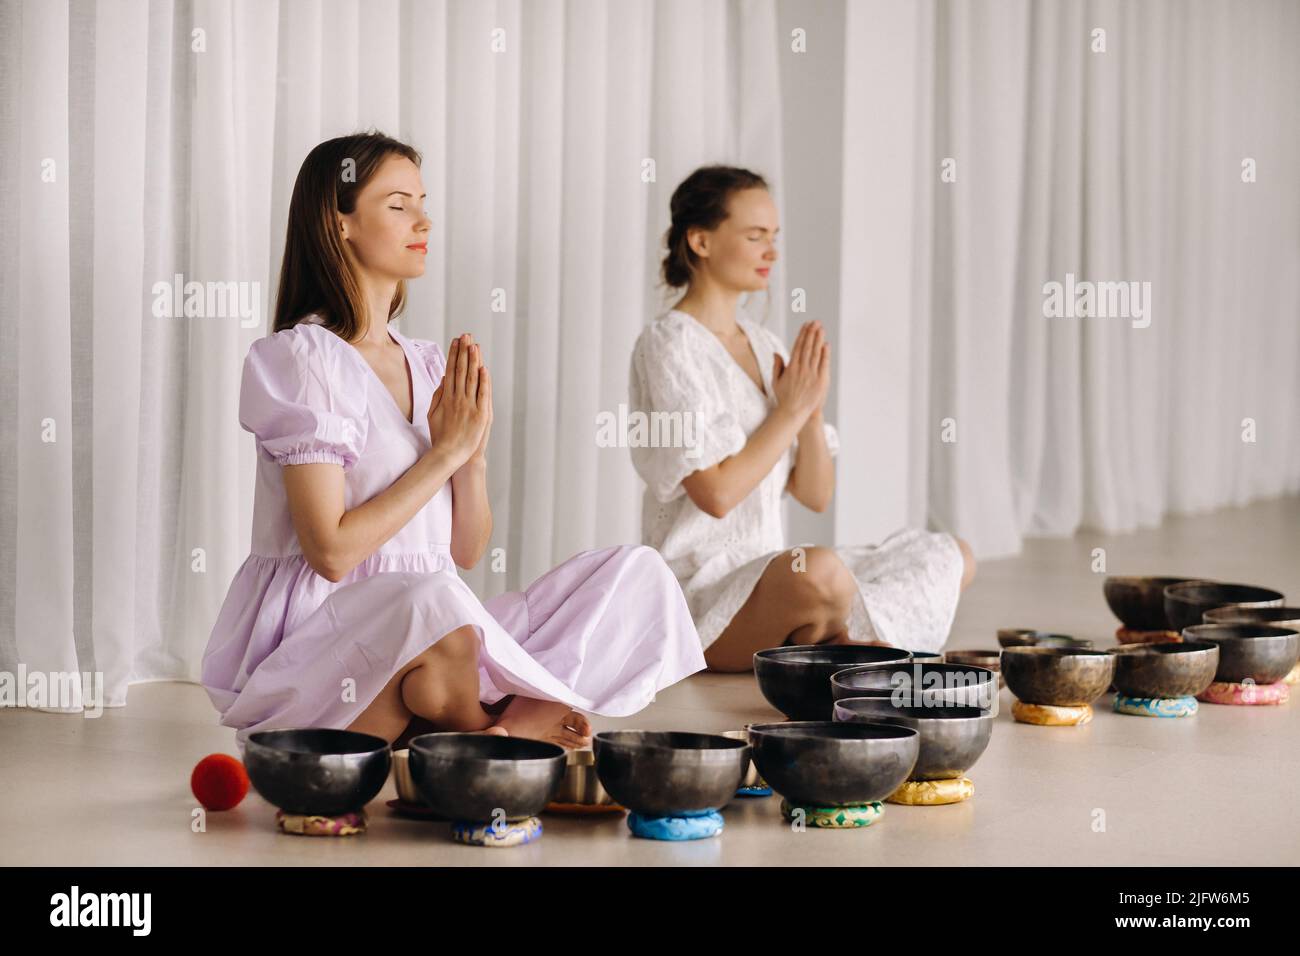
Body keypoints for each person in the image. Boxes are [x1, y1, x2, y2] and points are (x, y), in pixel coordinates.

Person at [202, 132, 705, 751]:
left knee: (637, 572)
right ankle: (499, 735)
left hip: (441, 634)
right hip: (324, 655)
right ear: (340, 225)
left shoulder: (428, 361)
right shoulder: (304, 359)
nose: (424, 219)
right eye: (397, 204)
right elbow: (330, 552)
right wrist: (441, 453)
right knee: (437, 604)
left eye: (422, 200)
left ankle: (485, 721)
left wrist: (471, 453)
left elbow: (466, 548)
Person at [629, 165, 976, 672]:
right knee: (818, 571)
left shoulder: (763, 343)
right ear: (700, 241)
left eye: (774, 236)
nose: (771, 251)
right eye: (754, 236)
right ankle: (843, 646)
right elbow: (716, 495)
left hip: (773, 575)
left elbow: (815, 493)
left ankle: (831, 644)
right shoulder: (667, 345)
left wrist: (810, 411)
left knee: (951, 555)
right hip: (702, 595)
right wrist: (788, 412)